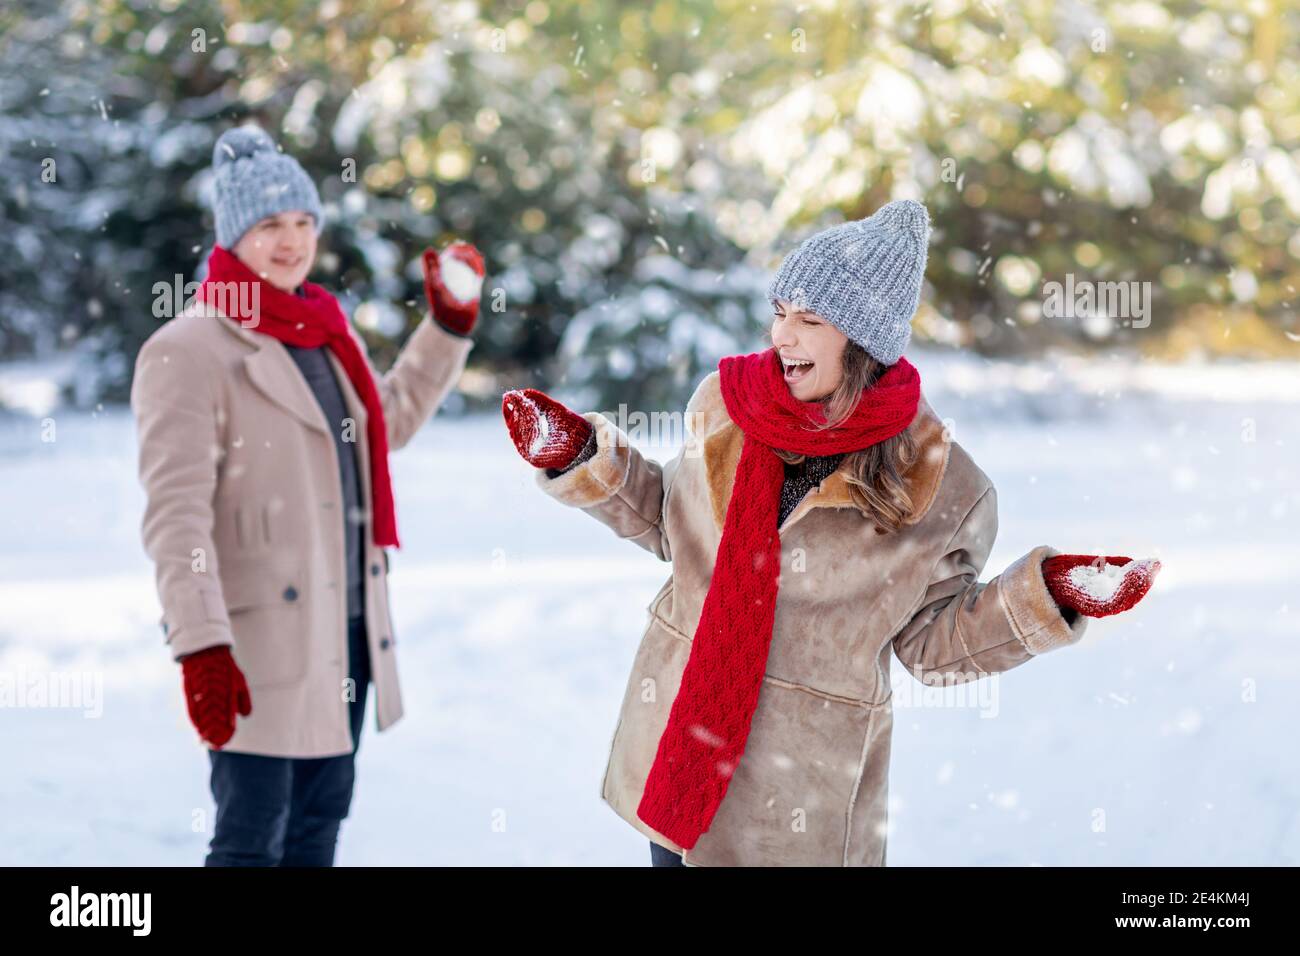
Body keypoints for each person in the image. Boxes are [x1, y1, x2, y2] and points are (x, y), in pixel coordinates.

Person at [501, 198, 1159, 867]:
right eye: (780, 311)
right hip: (678, 754)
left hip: (799, 800)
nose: (782, 336)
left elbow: (933, 645)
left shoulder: (940, 484)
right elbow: (675, 526)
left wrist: (1048, 596)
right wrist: (583, 458)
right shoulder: (727, 408)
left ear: (865, 341)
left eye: (809, 320)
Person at [131, 125, 486, 866]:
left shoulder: (326, 331)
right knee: (250, 842)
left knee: (317, 829)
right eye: (270, 226)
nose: (292, 241)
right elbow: (176, 516)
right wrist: (200, 645)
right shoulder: (189, 350)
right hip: (257, 647)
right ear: (234, 235)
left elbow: (382, 430)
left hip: (346, 633)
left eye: (303, 223)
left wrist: (446, 327)